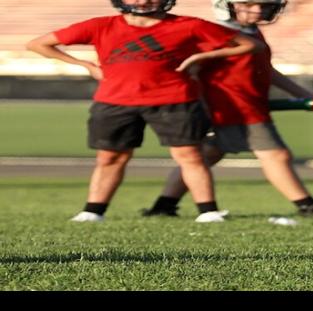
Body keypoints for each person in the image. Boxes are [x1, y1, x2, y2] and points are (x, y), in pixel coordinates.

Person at [25, 0, 257, 223]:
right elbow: (38, 43)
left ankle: (208, 212)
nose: (143, 1)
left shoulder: (189, 25)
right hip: (115, 100)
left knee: (190, 156)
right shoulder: (100, 25)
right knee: (110, 157)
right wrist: (85, 65)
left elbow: (249, 44)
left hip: (174, 99)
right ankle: (93, 212)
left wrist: (201, 56)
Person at [144, 0, 313, 218]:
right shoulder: (217, 34)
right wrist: (201, 107)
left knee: (205, 156)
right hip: (233, 109)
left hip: (245, 106)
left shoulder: (250, 32)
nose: (258, 10)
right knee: (276, 155)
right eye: (248, 5)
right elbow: (191, 72)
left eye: (263, 5)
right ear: (226, 5)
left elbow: (266, 70)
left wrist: (304, 95)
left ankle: (163, 205)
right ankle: (308, 206)